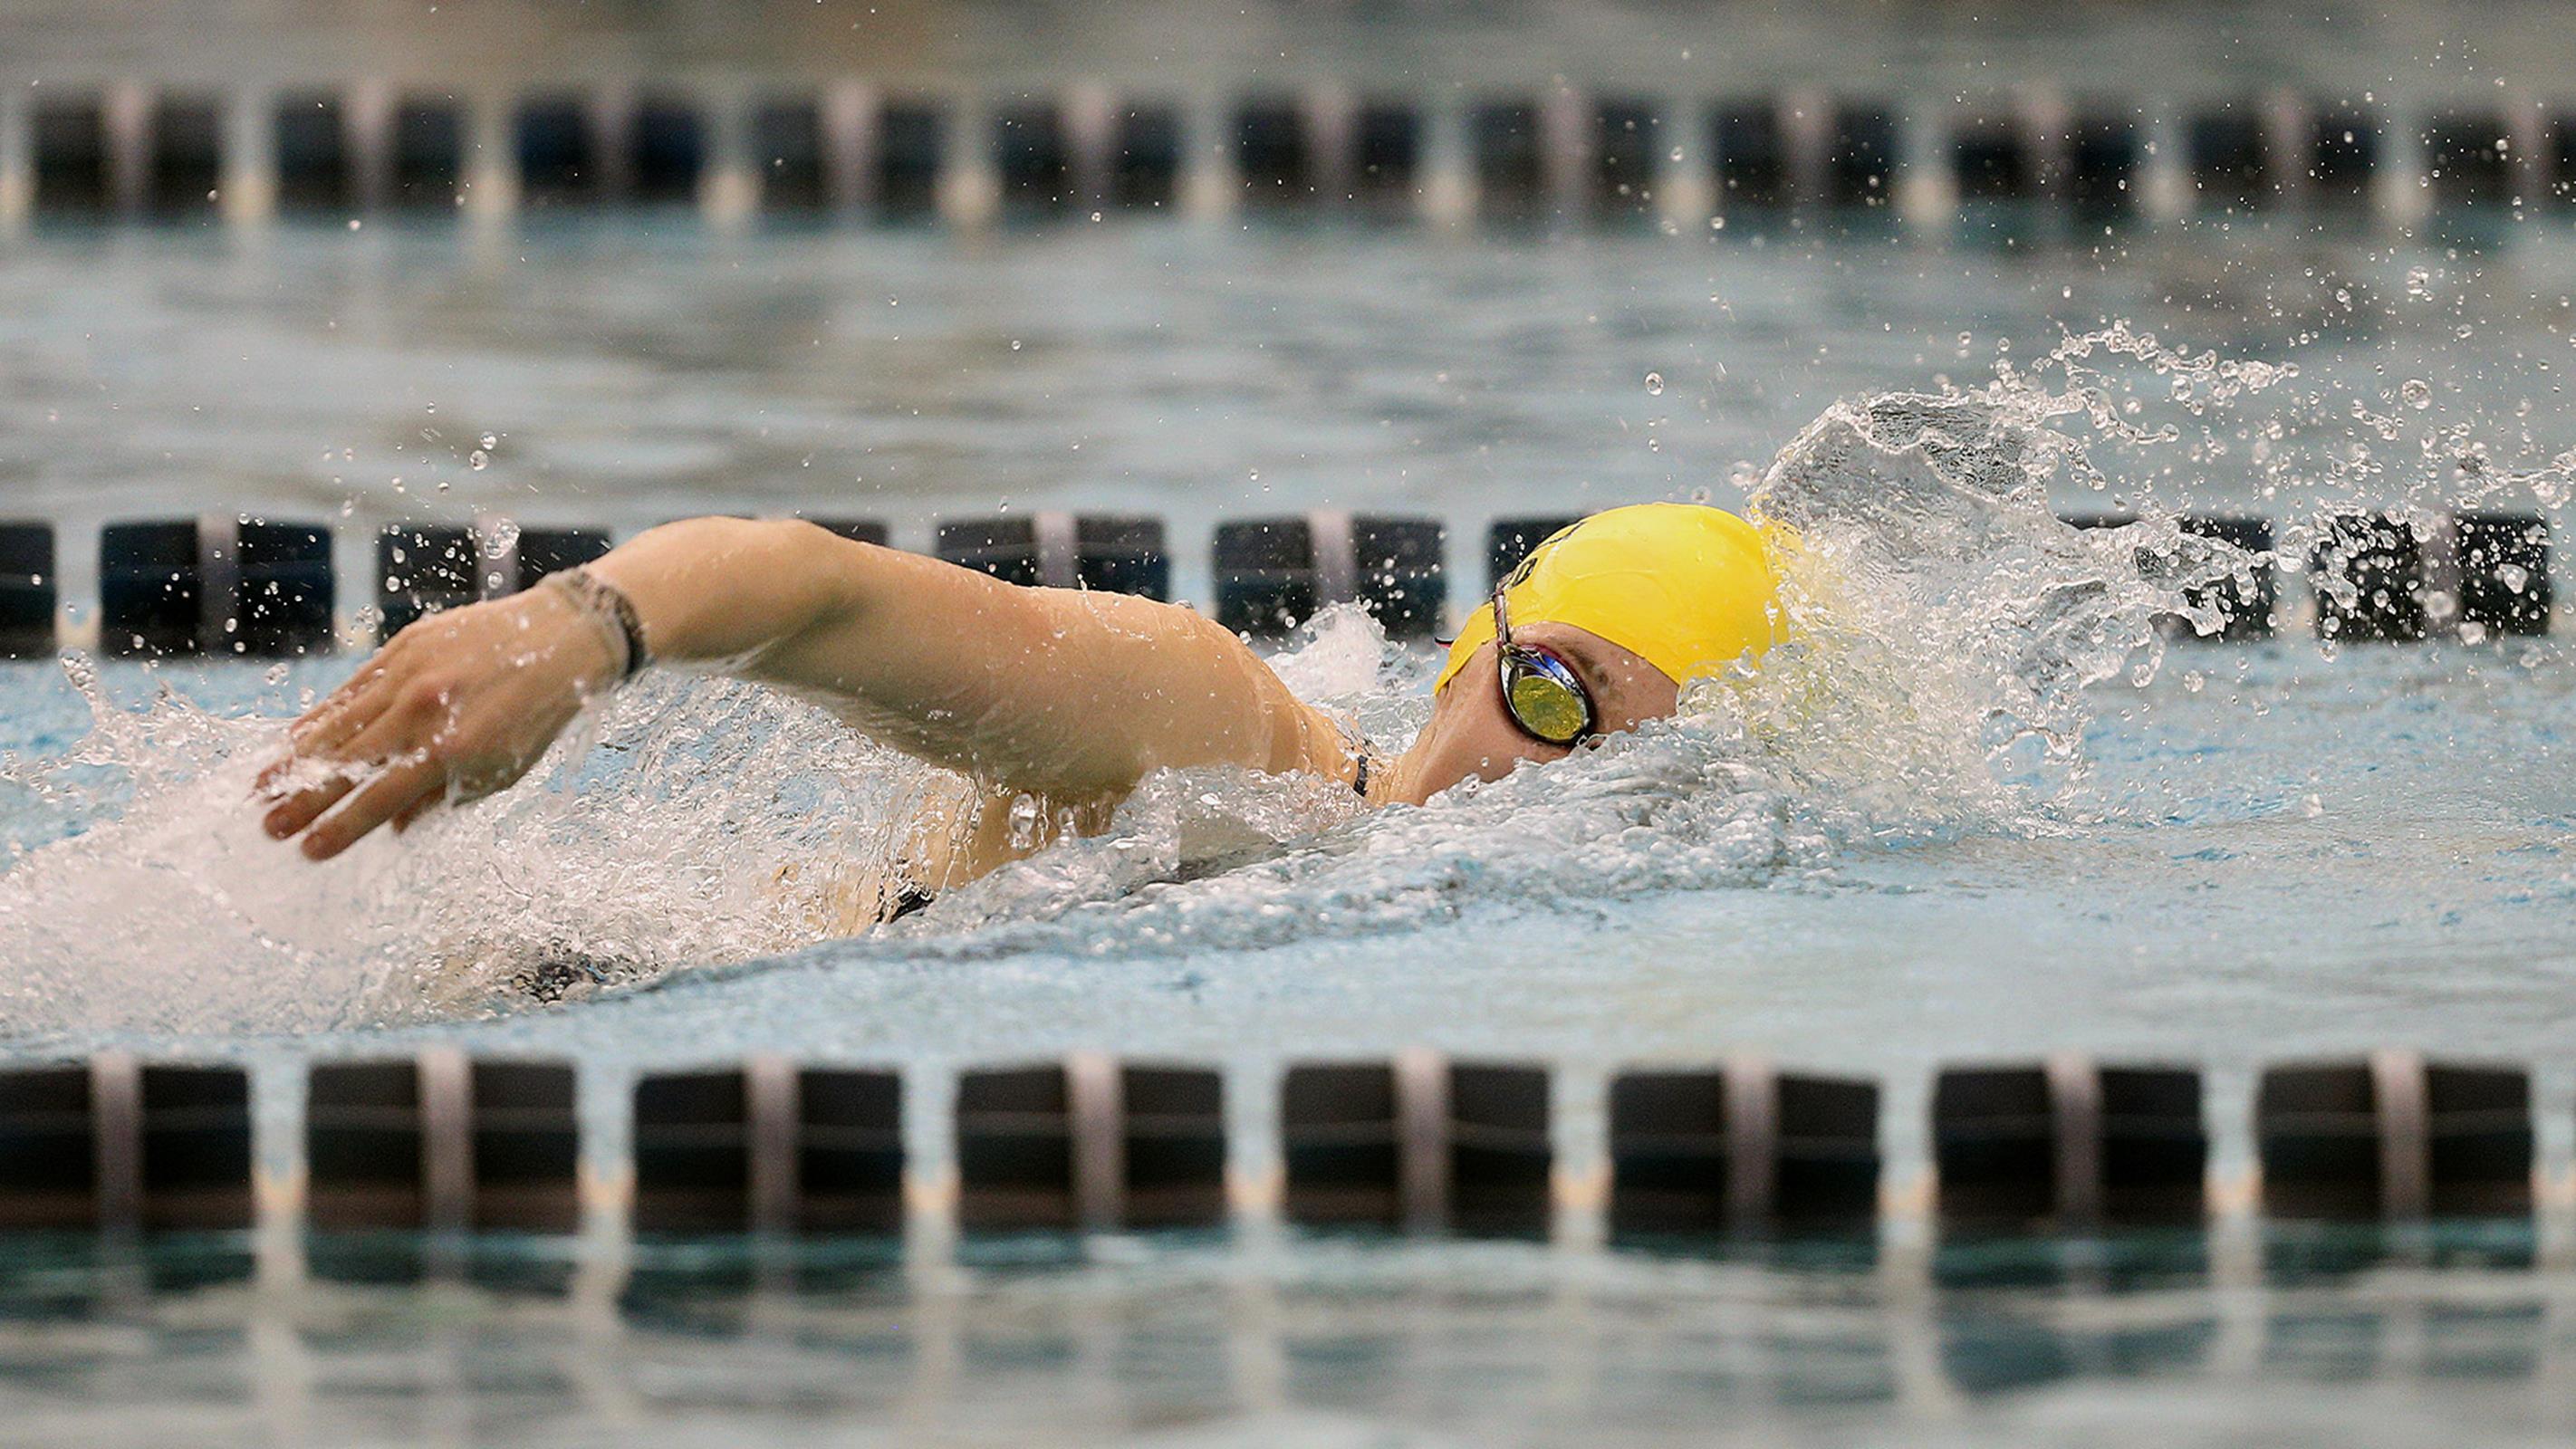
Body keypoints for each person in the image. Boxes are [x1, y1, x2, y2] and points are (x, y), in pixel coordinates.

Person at [258, 502, 1786, 920]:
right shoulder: (1226, 730)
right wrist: (578, 630)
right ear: (1468, 657)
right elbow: (815, 586)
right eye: (1545, 693)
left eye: (1628, 771)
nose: (1538, 781)